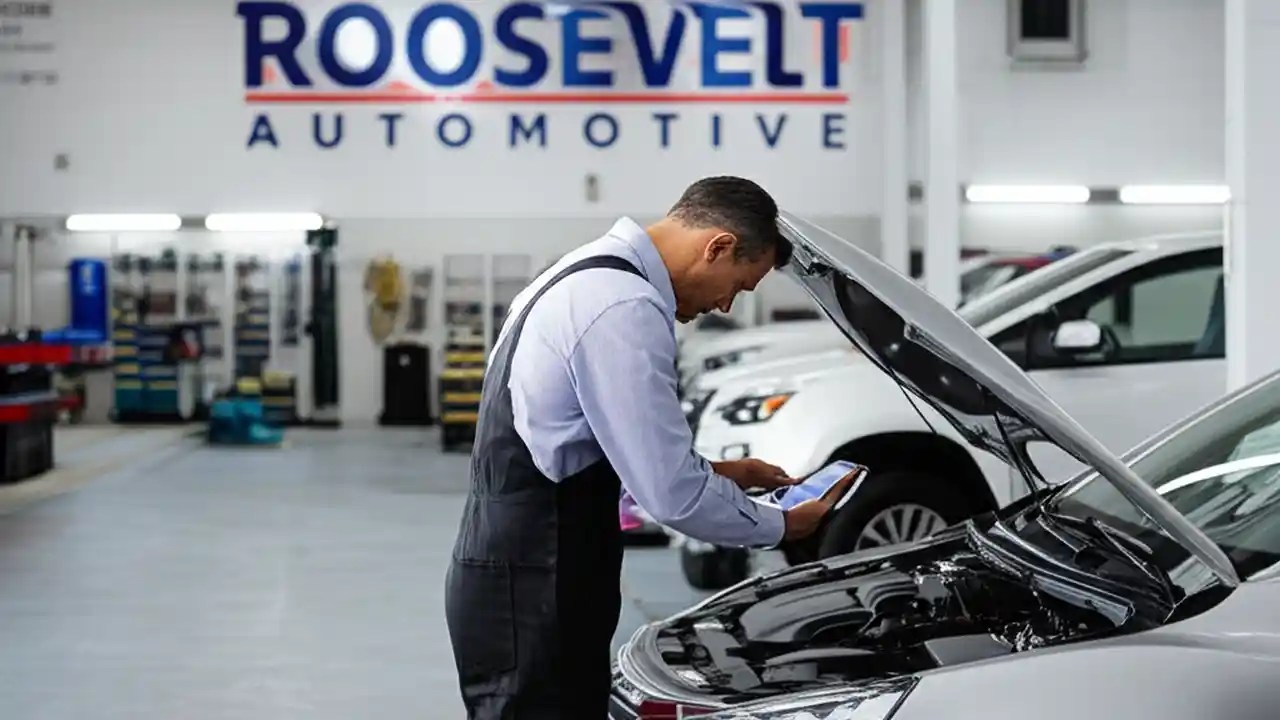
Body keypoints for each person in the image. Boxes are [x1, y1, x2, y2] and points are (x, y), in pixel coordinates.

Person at [444, 176, 854, 719]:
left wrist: (727, 472)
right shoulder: (624, 308)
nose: (727, 304)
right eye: (739, 285)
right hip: (538, 582)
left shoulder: (584, 272)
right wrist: (784, 525)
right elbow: (672, 496)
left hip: (520, 568)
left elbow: (590, 442)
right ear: (718, 247)